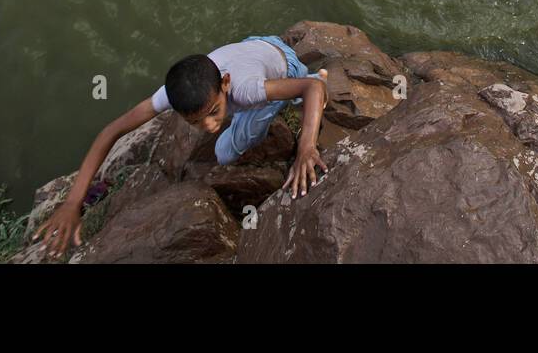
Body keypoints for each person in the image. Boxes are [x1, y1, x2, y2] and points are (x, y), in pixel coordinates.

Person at [33, 36, 329, 258]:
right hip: (253, 48)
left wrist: (306, 147)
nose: (210, 125)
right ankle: (292, 88)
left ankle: (302, 84)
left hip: (280, 62)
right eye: (197, 122)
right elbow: (112, 131)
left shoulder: (245, 88)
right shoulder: (169, 96)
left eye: (214, 112)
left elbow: (312, 91)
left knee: (239, 139)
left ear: (225, 84)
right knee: (225, 147)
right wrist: (72, 203)